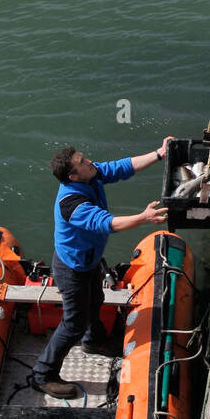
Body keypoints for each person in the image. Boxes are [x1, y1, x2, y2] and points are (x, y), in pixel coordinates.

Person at [31, 143, 170, 398]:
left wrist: (159, 154)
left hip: (88, 260)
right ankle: (42, 374)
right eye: (82, 162)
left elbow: (120, 168)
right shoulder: (71, 204)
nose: (89, 161)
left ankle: (94, 341)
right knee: (73, 323)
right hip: (72, 267)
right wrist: (143, 218)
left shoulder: (91, 174)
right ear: (73, 176)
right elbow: (105, 223)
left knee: (96, 299)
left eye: (83, 158)